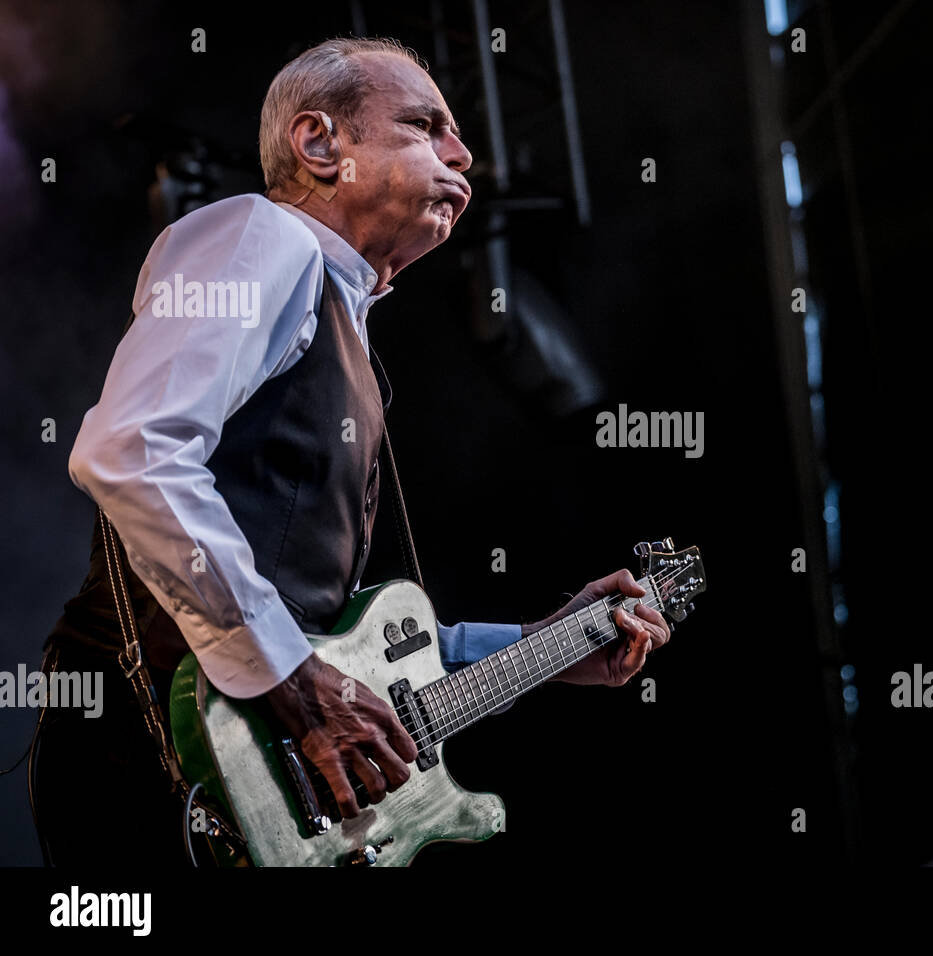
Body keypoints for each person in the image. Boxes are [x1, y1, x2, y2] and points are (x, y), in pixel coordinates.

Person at [31, 36, 670, 866]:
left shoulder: (345, 330)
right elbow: (132, 448)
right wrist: (296, 686)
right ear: (320, 143)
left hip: (246, 781)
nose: (463, 151)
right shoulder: (263, 236)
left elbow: (360, 650)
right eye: (422, 126)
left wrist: (547, 645)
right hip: (163, 757)